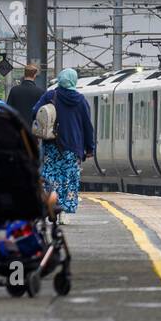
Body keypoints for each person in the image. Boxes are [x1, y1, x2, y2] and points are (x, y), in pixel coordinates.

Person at [31, 68, 94, 220]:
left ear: (60, 79)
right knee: (69, 178)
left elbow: (35, 111)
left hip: (52, 143)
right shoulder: (80, 100)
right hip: (72, 146)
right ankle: (64, 212)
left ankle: (51, 203)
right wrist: (90, 148)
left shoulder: (50, 95)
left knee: (50, 175)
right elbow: (87, 125)